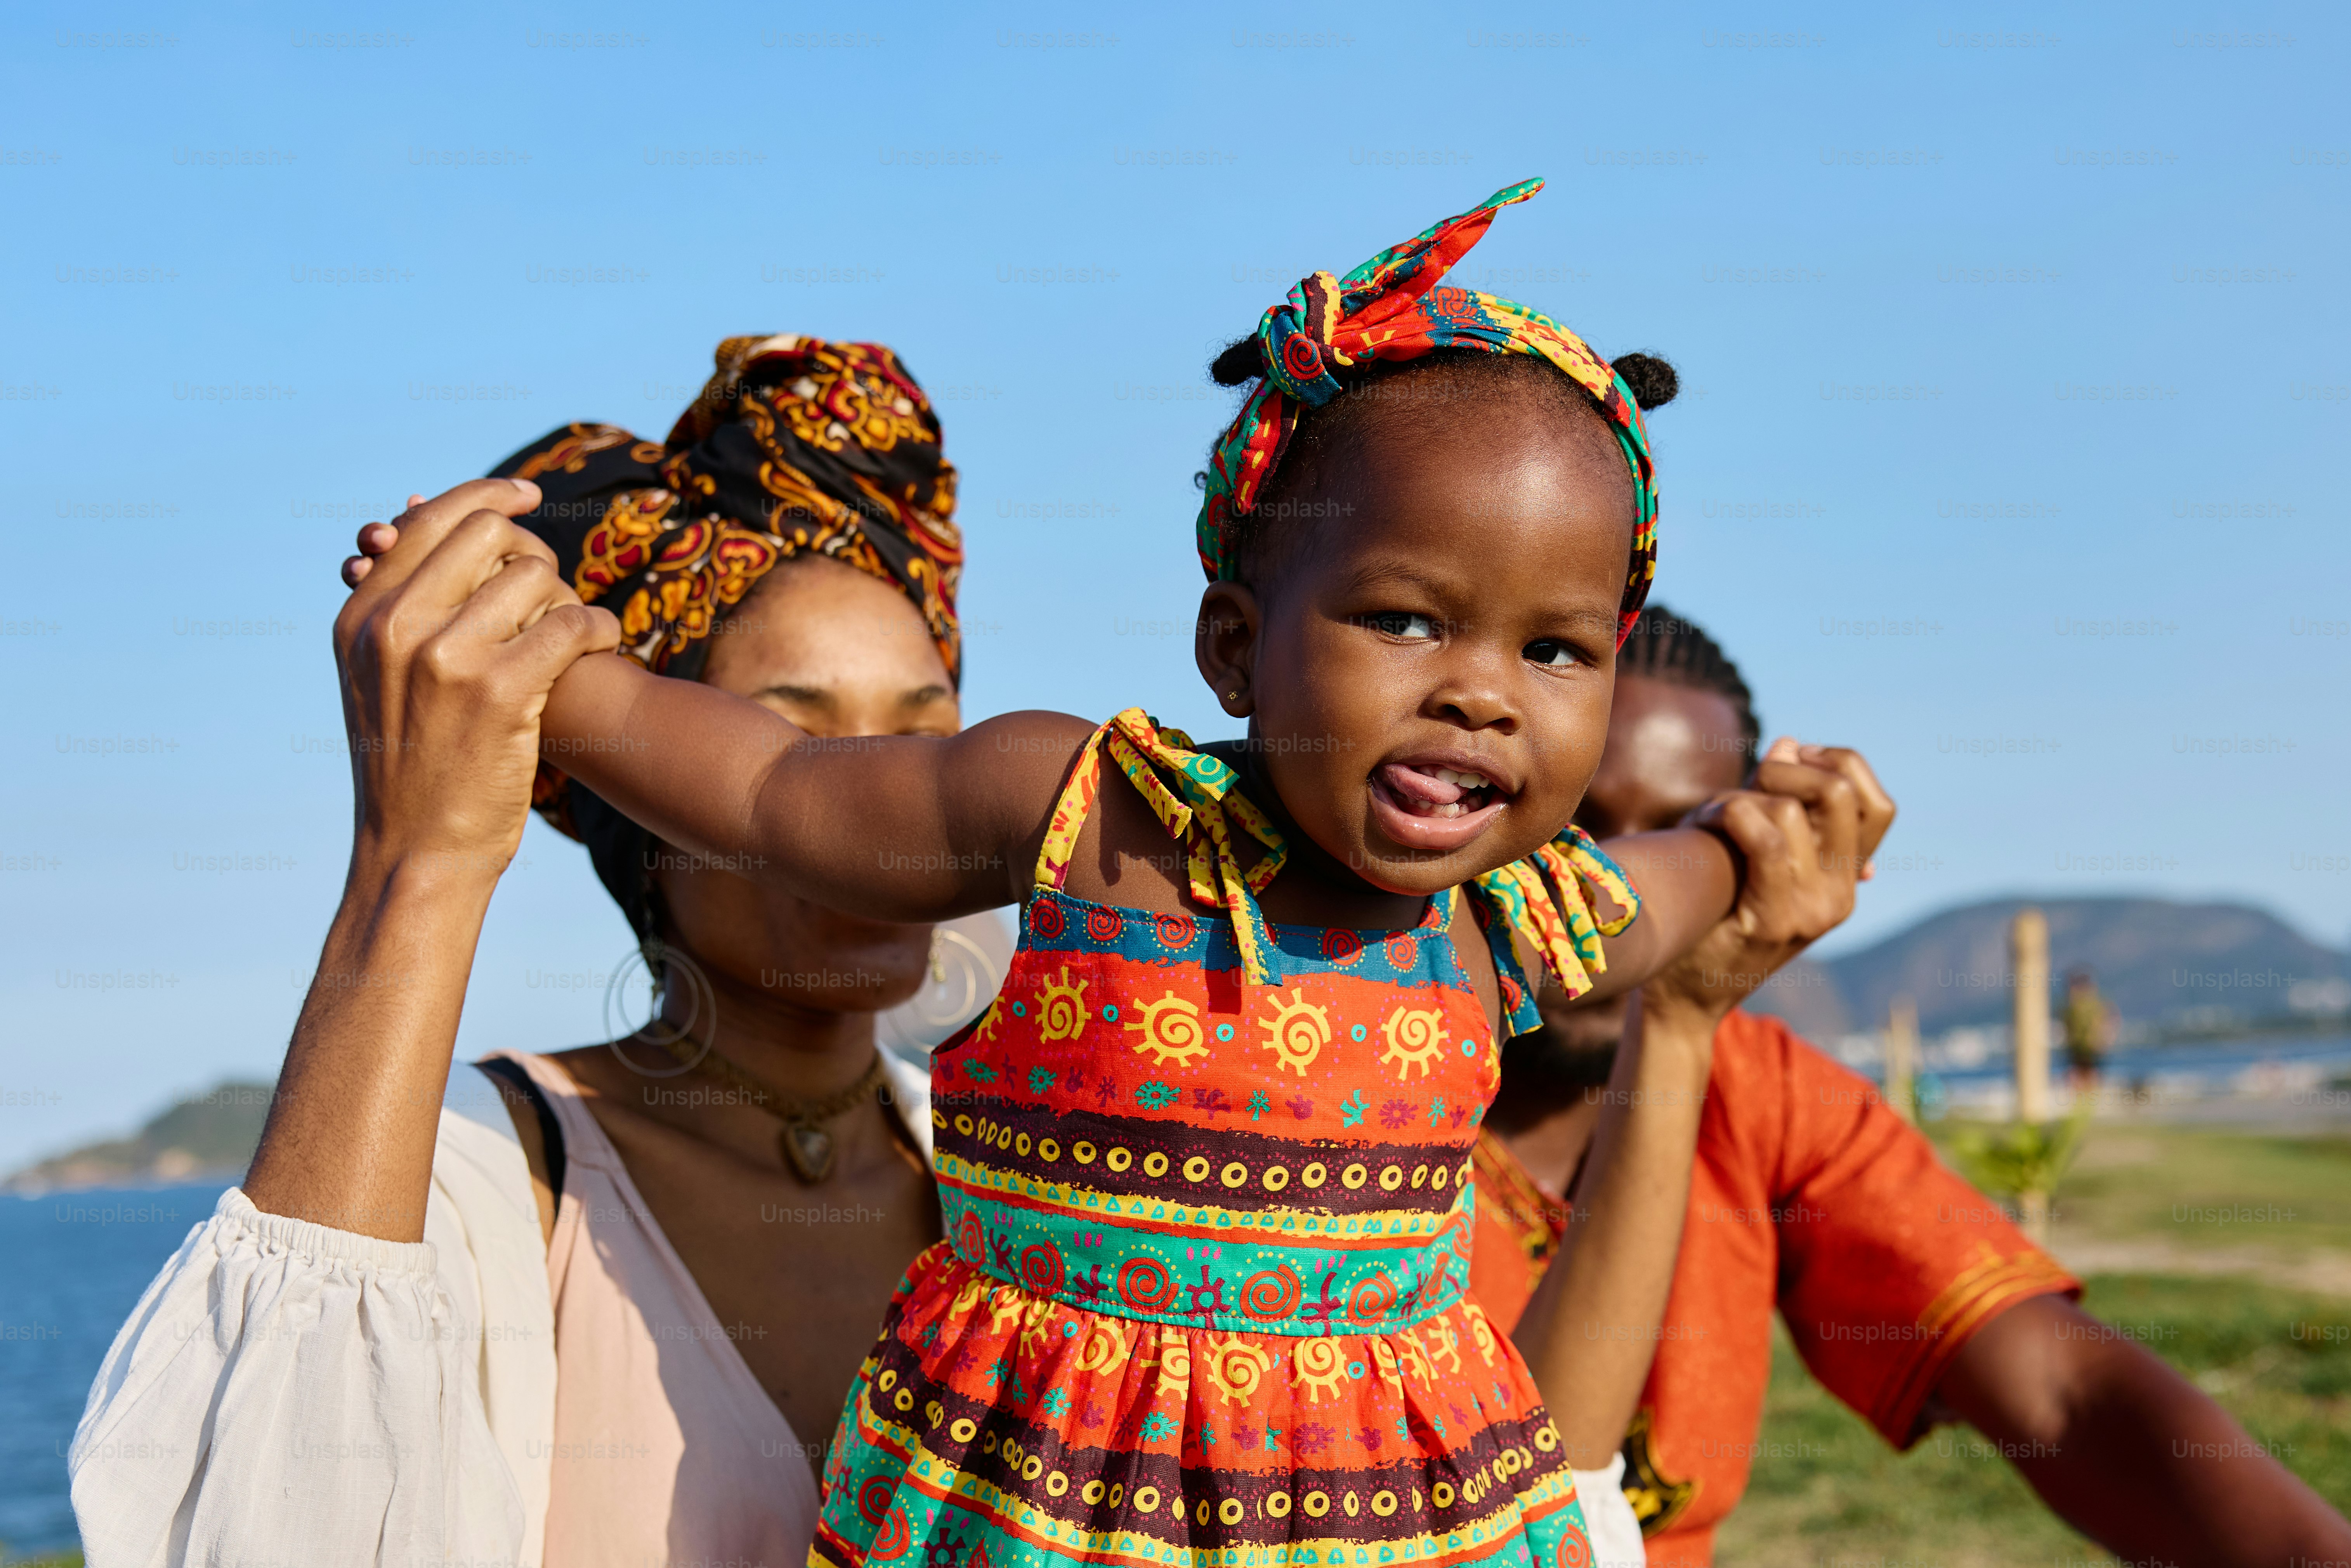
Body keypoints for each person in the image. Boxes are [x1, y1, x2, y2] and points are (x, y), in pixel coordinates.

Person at [350, 178, 1892, 1568]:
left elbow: (1688, 887)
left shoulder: (1513, 916)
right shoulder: (1095, 814)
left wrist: (1763, 832)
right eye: (1404, 618)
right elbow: (769, 793)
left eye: (1553, 649)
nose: (1480, 690)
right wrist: (546, 663)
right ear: (1231, 644)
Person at [70, 336, 998, 1568]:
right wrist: (418, 862)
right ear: (650, 800)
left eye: (923, 729)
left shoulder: (1025, 1171)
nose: (882, 795)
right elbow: (274, 1527)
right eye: (796, 740)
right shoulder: (487, 1195)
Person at [1470, 605, 2351, 1568]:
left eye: (1681, 845)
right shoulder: (1346, 1099)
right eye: (1573, 830)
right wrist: (1674, 1025)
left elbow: (2061, 1394)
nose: (1614, 893)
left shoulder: (1757, 1093)